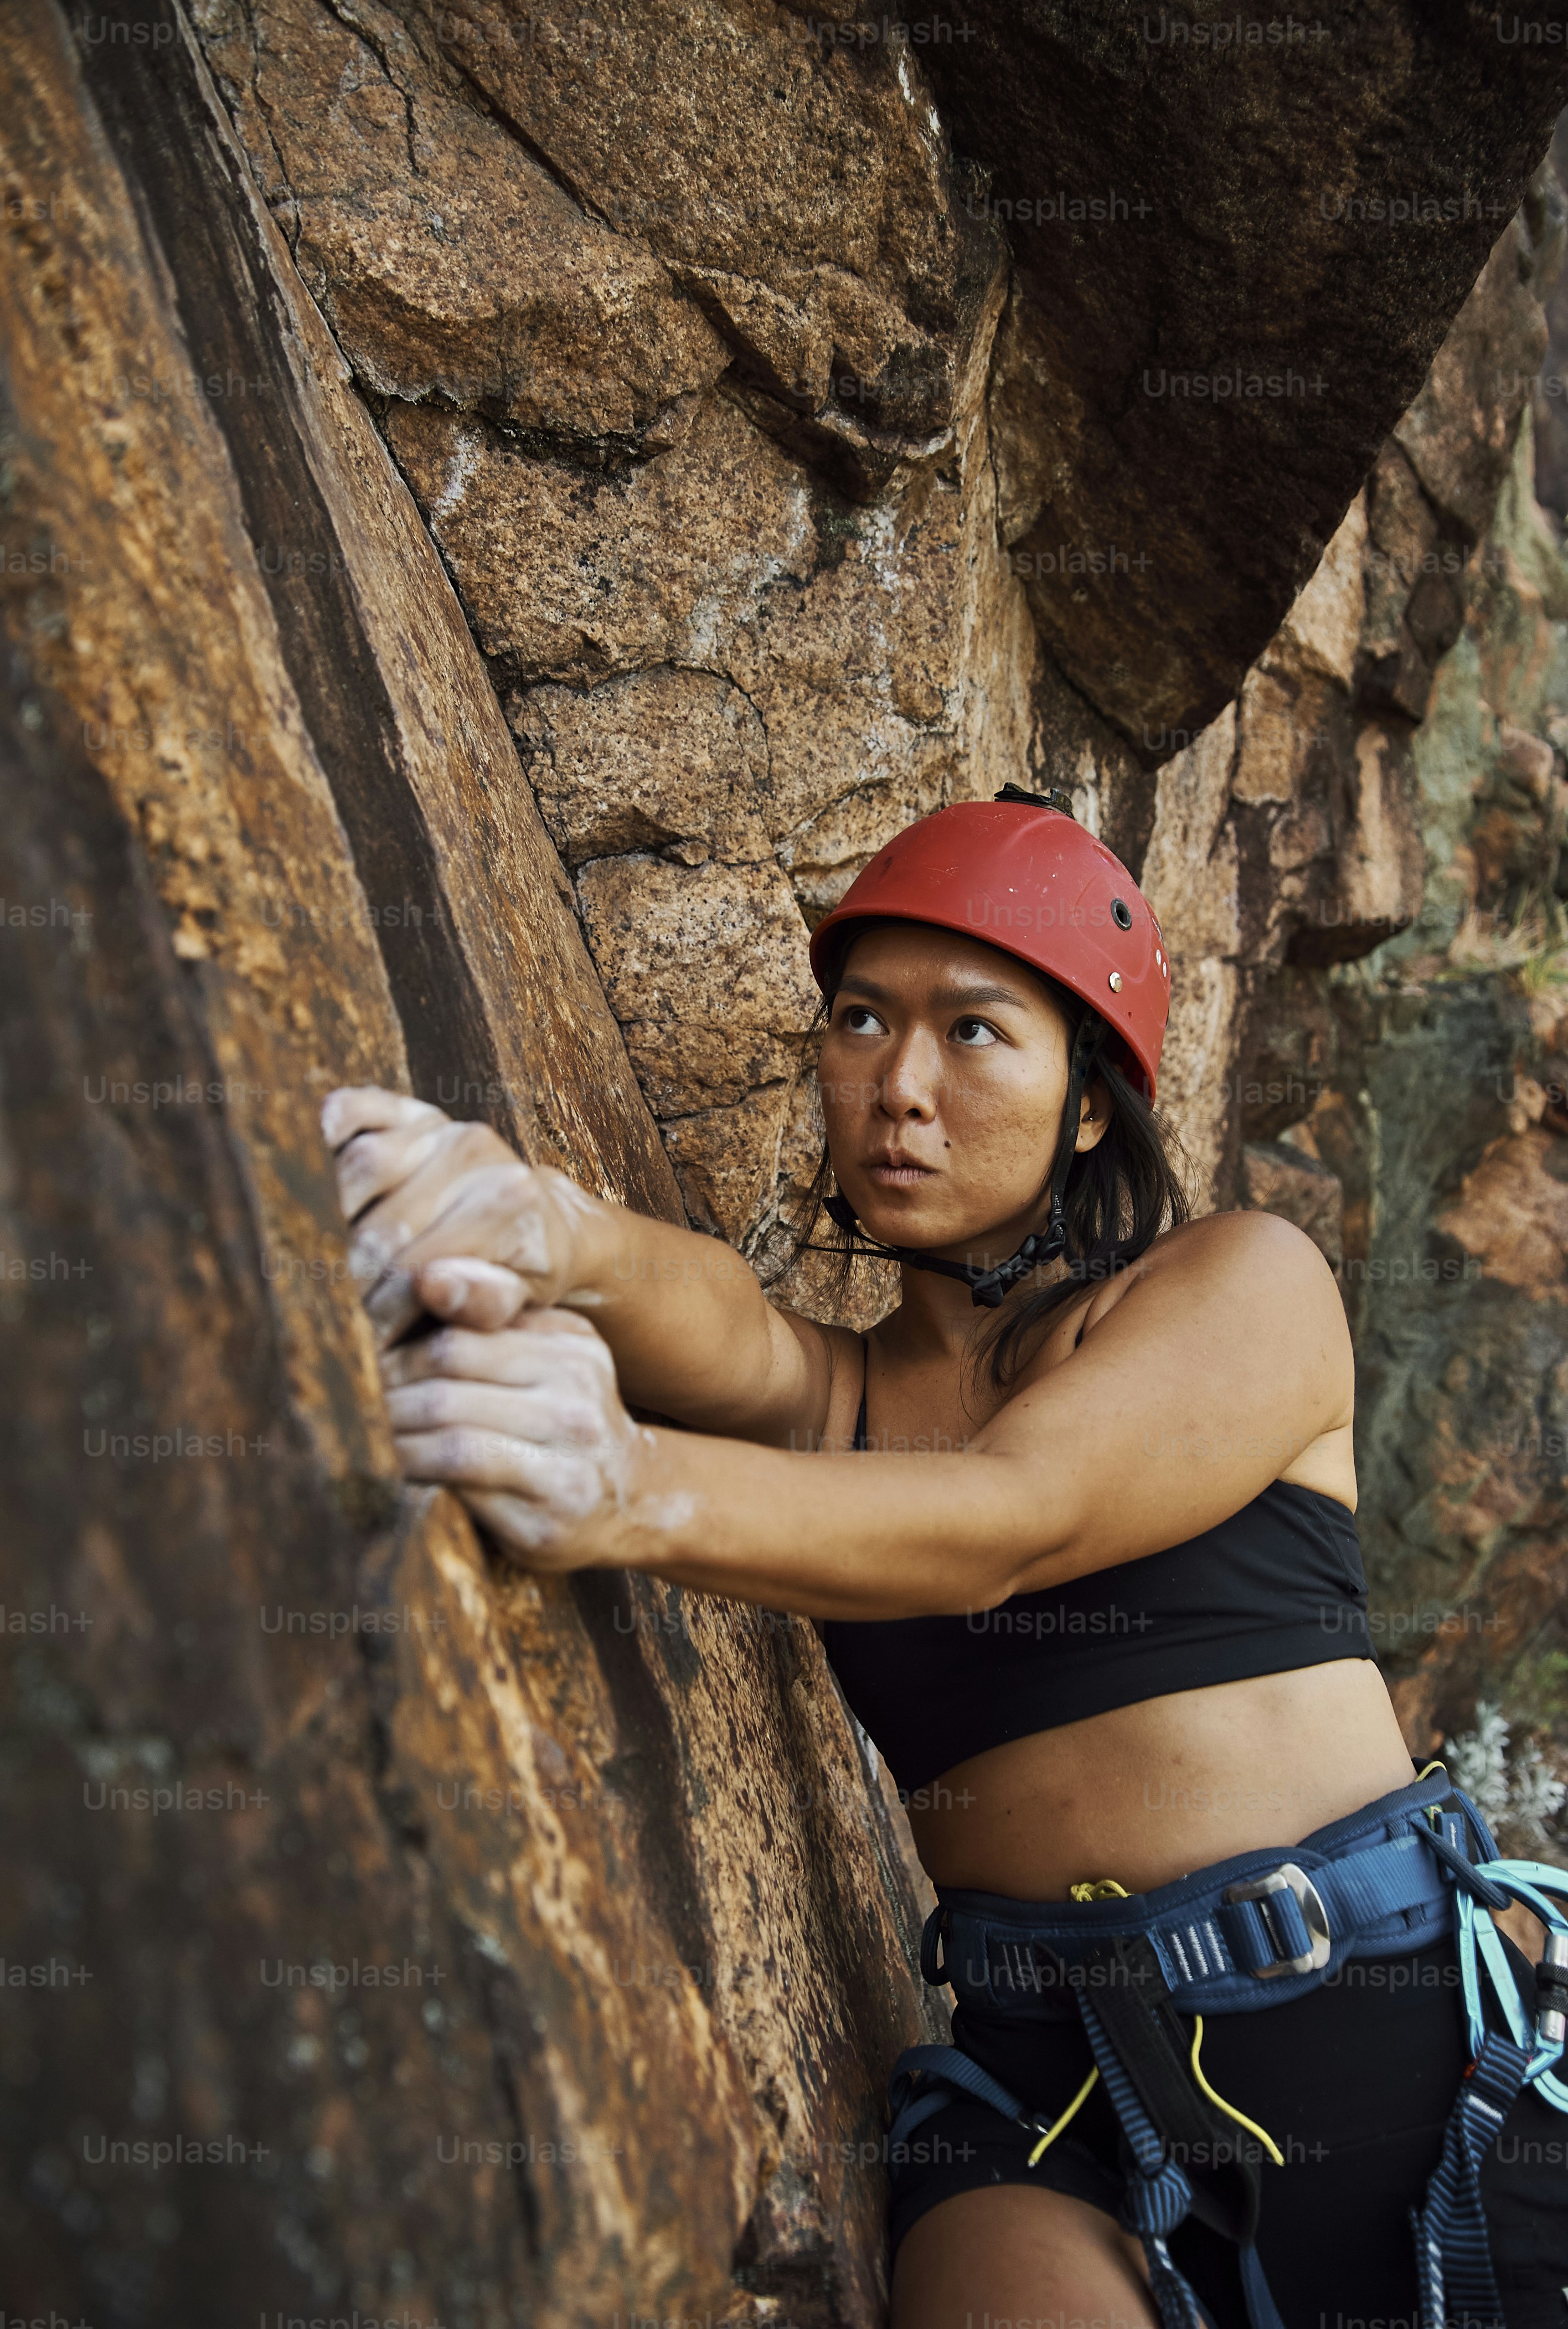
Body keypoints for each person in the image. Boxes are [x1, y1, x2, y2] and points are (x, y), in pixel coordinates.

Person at [322, 787, 1567, 2328]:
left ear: (1090, 1102)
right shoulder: (850, 1400)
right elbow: (719, 1321)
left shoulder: (1249, 1284)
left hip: (1389, 2043)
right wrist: (548, 1227)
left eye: (974, 1031)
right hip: (1046, 2093)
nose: (898, 1085)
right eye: (859, 1020)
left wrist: (625, 1486)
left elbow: (1009, 1517)